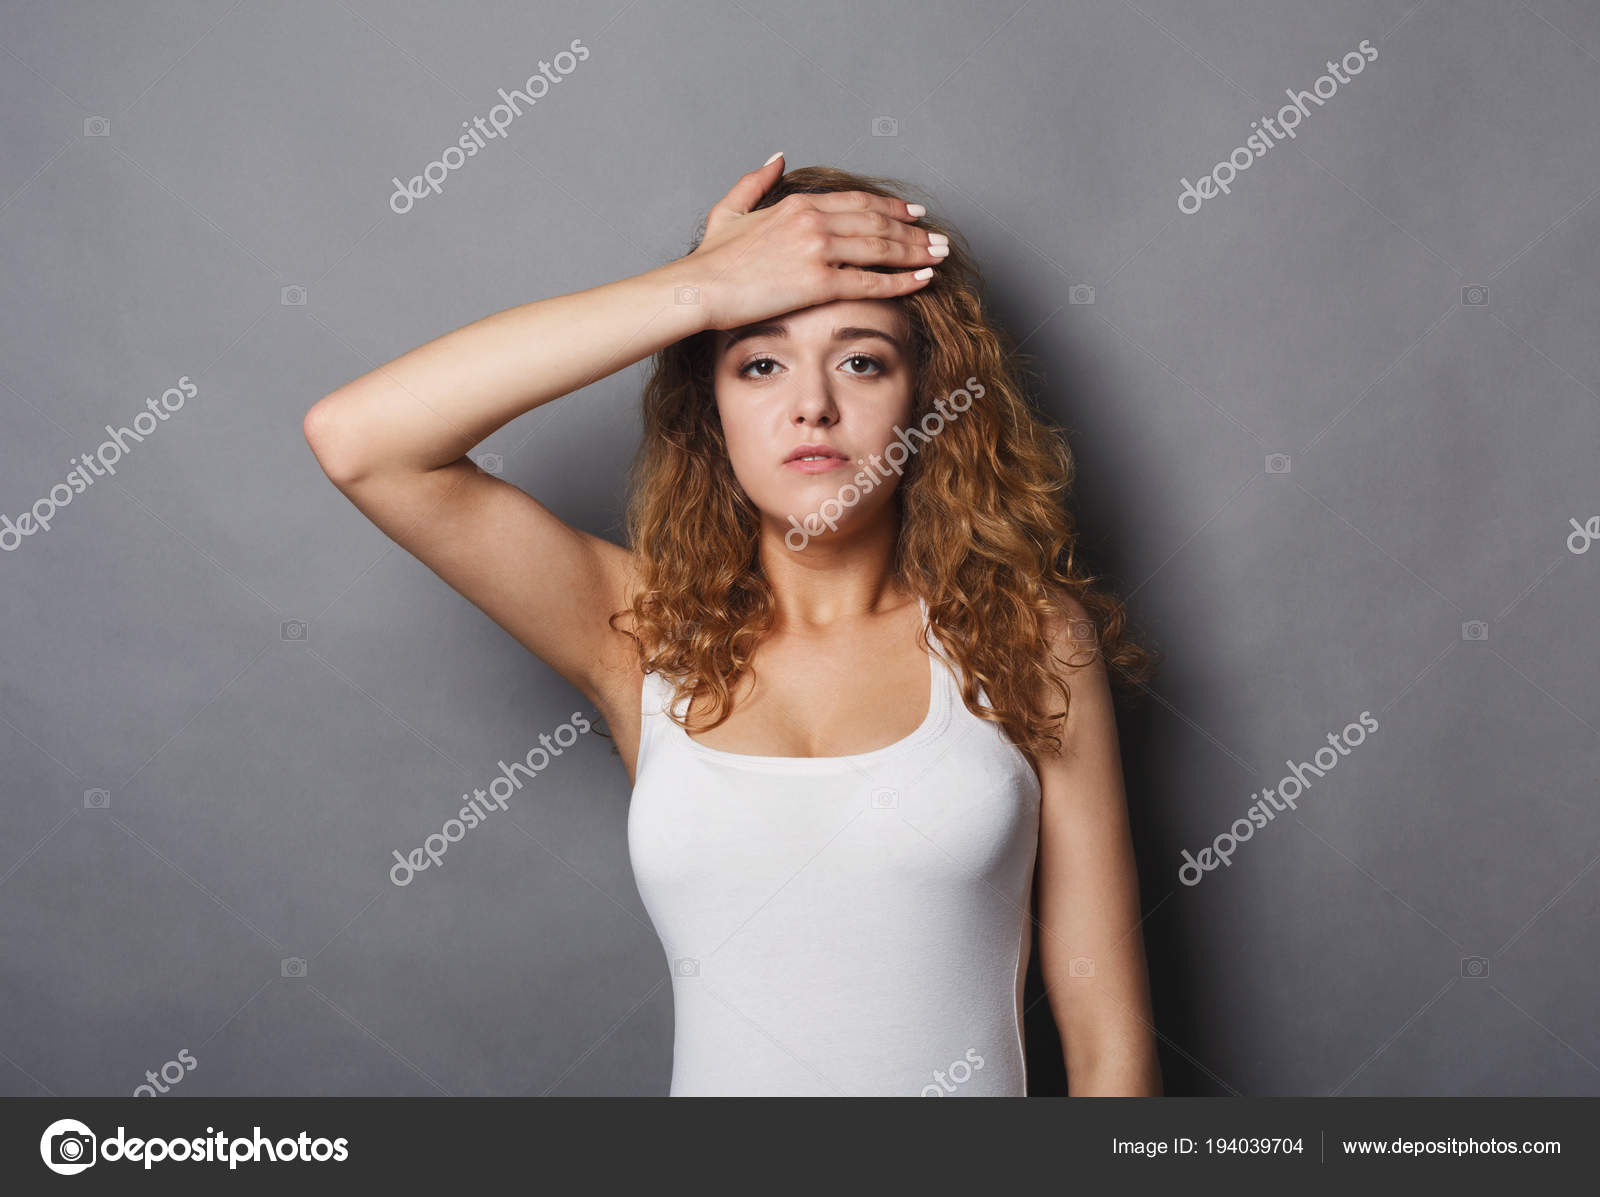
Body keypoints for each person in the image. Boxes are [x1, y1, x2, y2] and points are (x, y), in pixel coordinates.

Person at [303, 153, 1162, 1096]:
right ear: (710, 410)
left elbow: (1109, 1050)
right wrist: (701, 287)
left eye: (862, 361)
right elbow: (362, 441)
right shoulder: (640, 632)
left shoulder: (1029, 638)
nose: (812, 405)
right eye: (759, 363)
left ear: (928, 399)